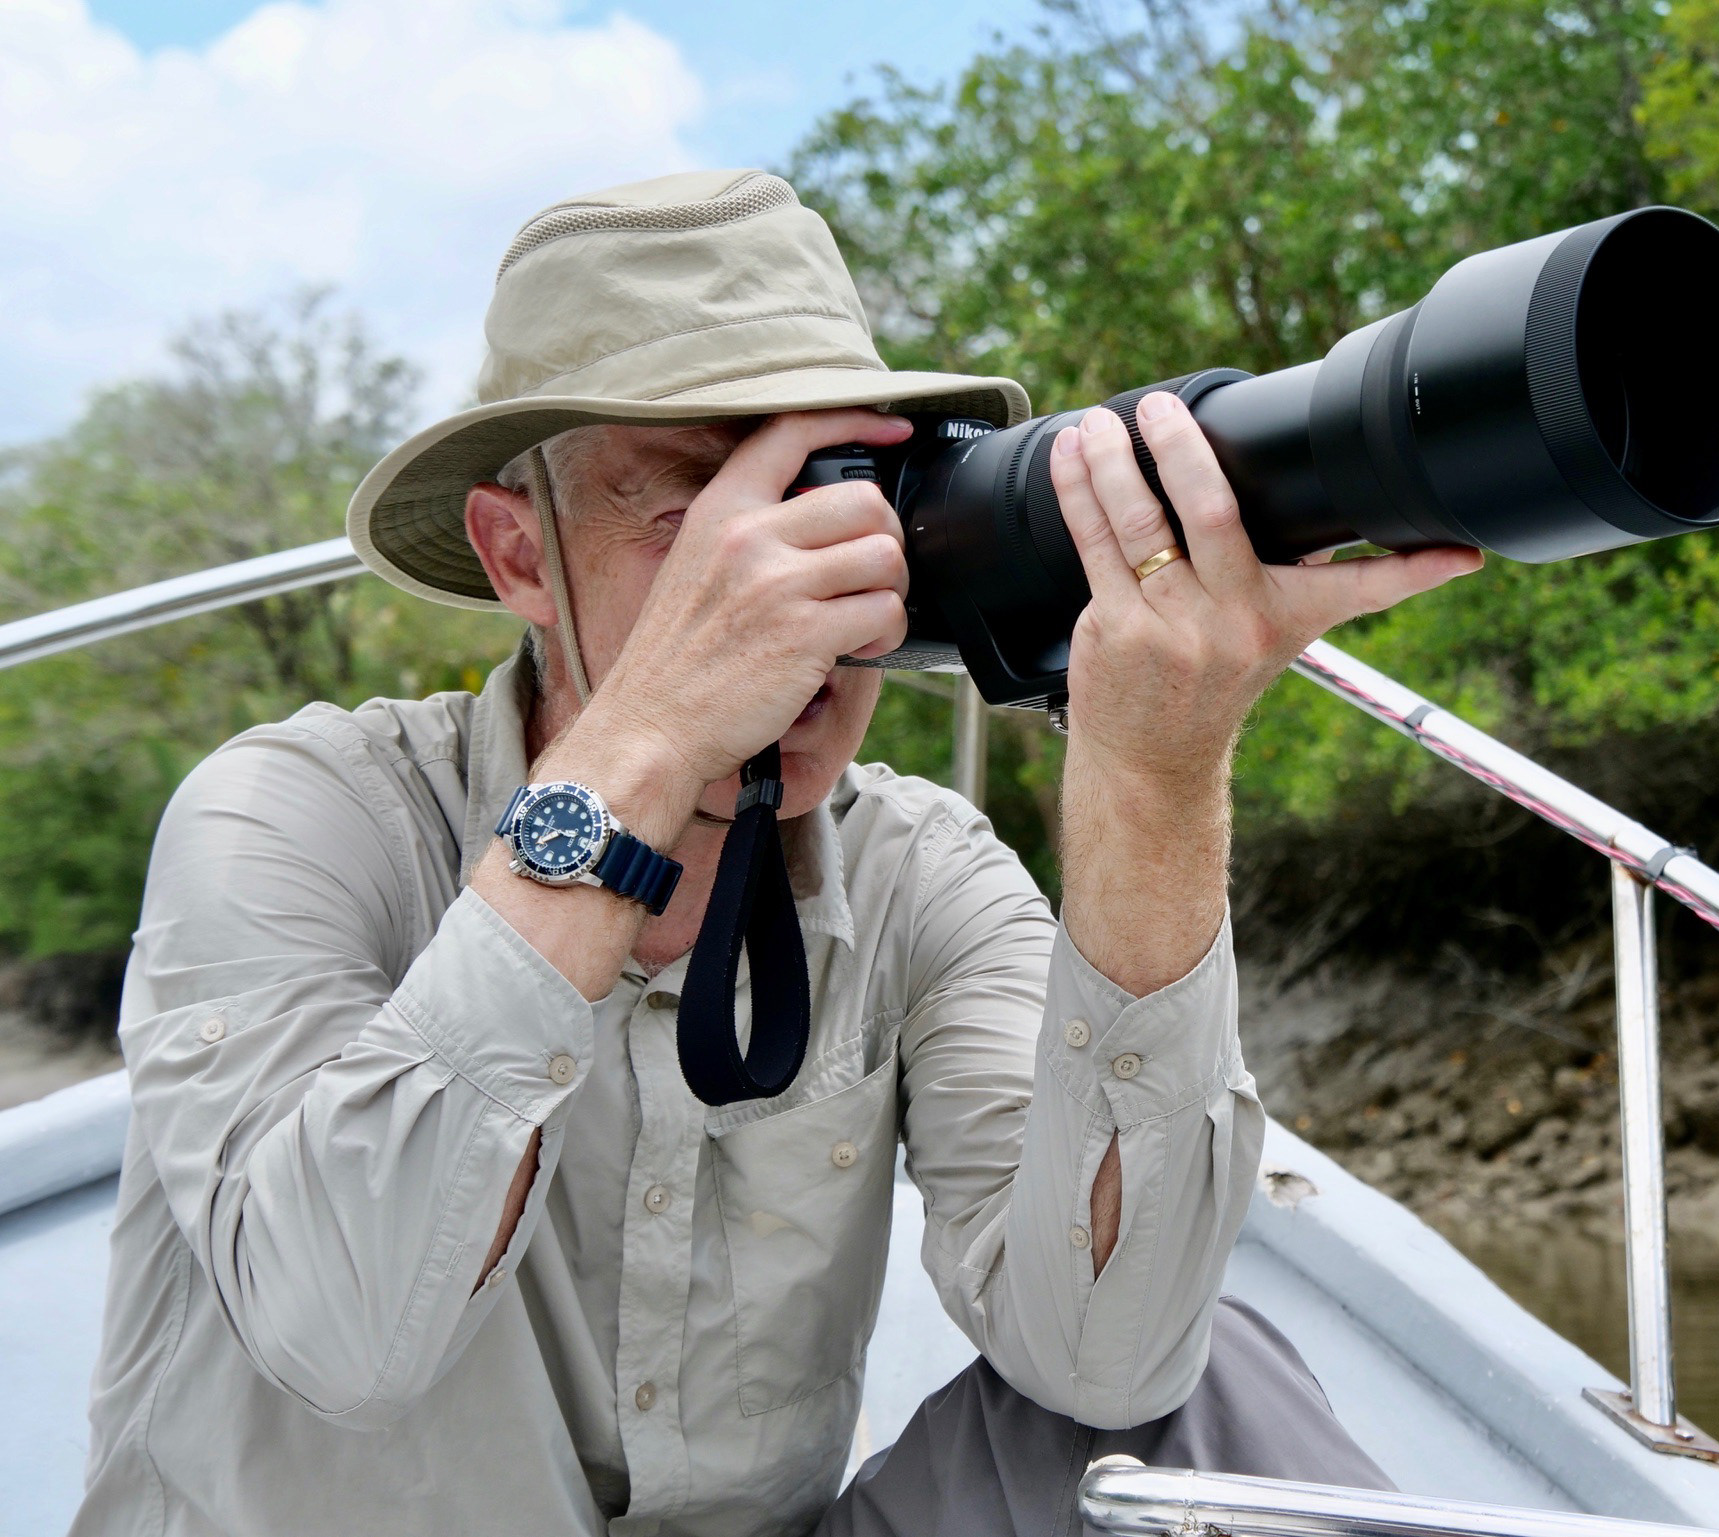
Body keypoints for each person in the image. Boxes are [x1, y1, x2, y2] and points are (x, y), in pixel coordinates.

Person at [74, 170, 1479, 1537]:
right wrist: (650, 738)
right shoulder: (296, 818)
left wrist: (1153, 773)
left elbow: (1113, 1360)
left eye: (835, 502)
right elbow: (343, 1333)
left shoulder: (917, 871)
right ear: (519, 557)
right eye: (696, 524)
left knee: (1202, 1405)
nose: (792, 586)